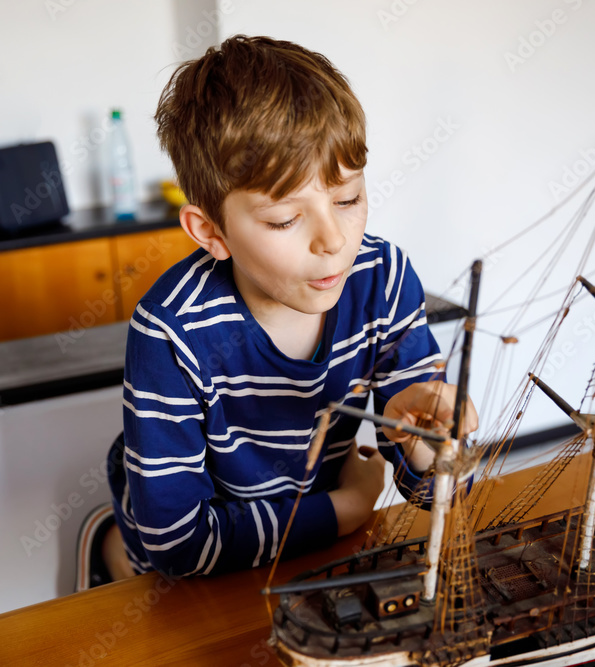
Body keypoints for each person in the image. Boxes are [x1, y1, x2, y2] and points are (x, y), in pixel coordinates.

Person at [103, 35, 477, 580]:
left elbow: (443, 493)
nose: (334, 241)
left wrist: (424, 443)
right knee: (139, 572)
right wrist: (348, 508)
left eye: (348, 199)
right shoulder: (170, 331)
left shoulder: (382, 278)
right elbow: (178, 546)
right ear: (211, 232)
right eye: (284, 220)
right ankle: (110, 544)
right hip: (201, 563)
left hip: (306, 531)